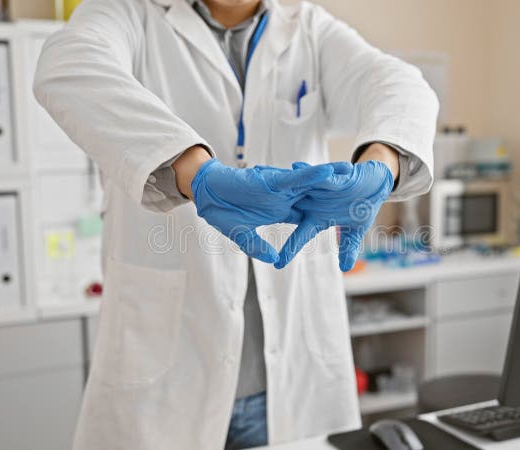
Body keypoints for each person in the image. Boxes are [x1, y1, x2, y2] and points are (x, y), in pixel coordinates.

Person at [33, 0, 437, 449]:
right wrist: (194, 172)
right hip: (167, 383)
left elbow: (398, 83)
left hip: (287, 386)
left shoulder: (307, 26)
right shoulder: (131, 12)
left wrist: (380, 164)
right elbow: (67, 66)